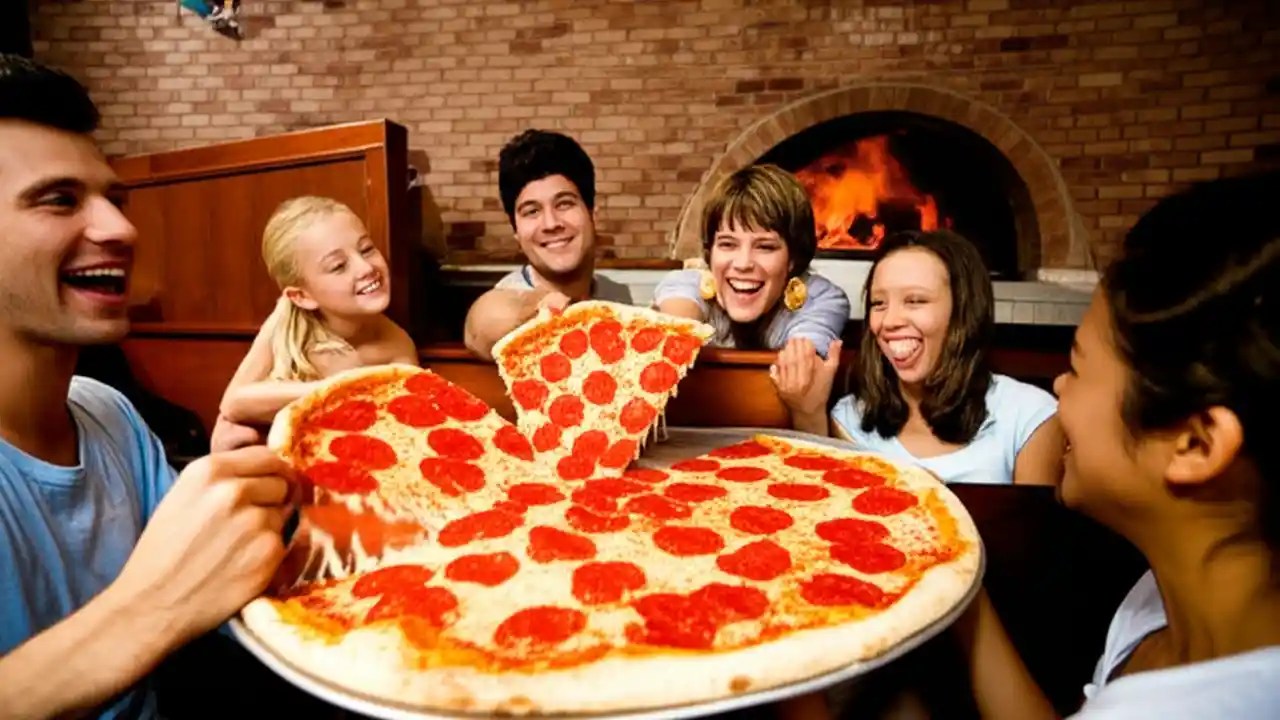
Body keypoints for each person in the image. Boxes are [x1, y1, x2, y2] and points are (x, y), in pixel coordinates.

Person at [0, 54, 295, 718]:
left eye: (113, 199)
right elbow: (168, 598)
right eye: (59, 200)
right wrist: (150, 609)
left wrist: (263, 486)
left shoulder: (111, 413)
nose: (120, 229)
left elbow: (213, 592)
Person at [959, 171, 1280, 718]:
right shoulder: (1166, 596)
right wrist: (959, 589)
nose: (1059, 385)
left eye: (1078, 367)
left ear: (1195, 445)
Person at [774, 229, 1063, 486]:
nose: (889, 321)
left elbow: (1034, 542)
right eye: (878, 303)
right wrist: (808, 413)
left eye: (915, 301)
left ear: (963, 312)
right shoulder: (850, 418)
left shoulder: (1030, 416)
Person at [210, 196, 418, 452]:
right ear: (302, 296)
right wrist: (337, 389)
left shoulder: (397, 345)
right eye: (339, 266)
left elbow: (407, 431)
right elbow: (233, 403)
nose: (365, 267)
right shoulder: (284, 322)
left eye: (366, 249)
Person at [463, 129, 632, 360]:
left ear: (594, 215)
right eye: (532, 211)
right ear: (516, 232)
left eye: (564, 204)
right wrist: (544, 307)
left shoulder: (617, 295)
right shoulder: (508, 299)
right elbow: (479, 330)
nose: (551, 224)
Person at [654, 164, 850, 359]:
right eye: (728, 244)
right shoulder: (692, 284)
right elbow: (677, 322)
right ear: (710, 253)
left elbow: (802, 370)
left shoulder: (819, 297)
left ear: (793, 259)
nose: (743, 263)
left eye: (765, 247)